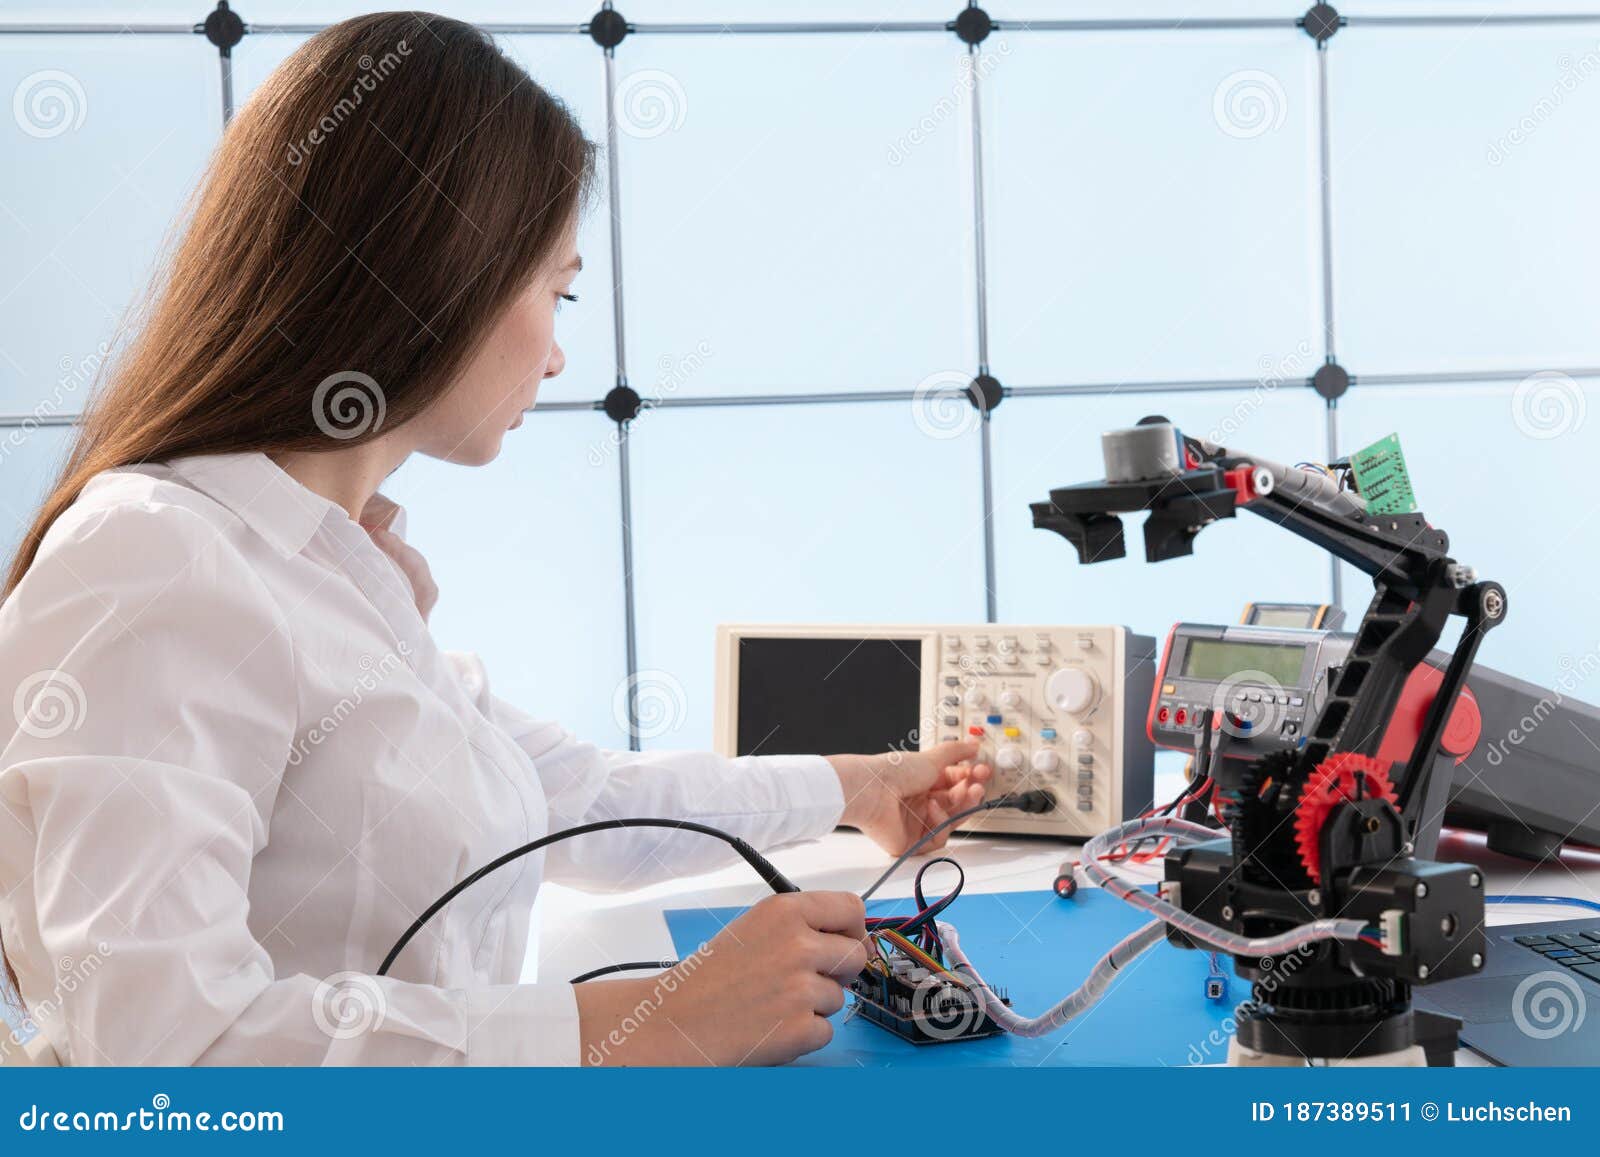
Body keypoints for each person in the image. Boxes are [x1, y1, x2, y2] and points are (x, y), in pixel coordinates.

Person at [0, 12, 992, 1067]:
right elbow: (158, 1054)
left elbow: (573, 796)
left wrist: (860, 785)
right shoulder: (154, 558)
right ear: (435, 269)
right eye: (555, 292)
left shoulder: (343, 575)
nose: (561, 357)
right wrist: (650, 1023)